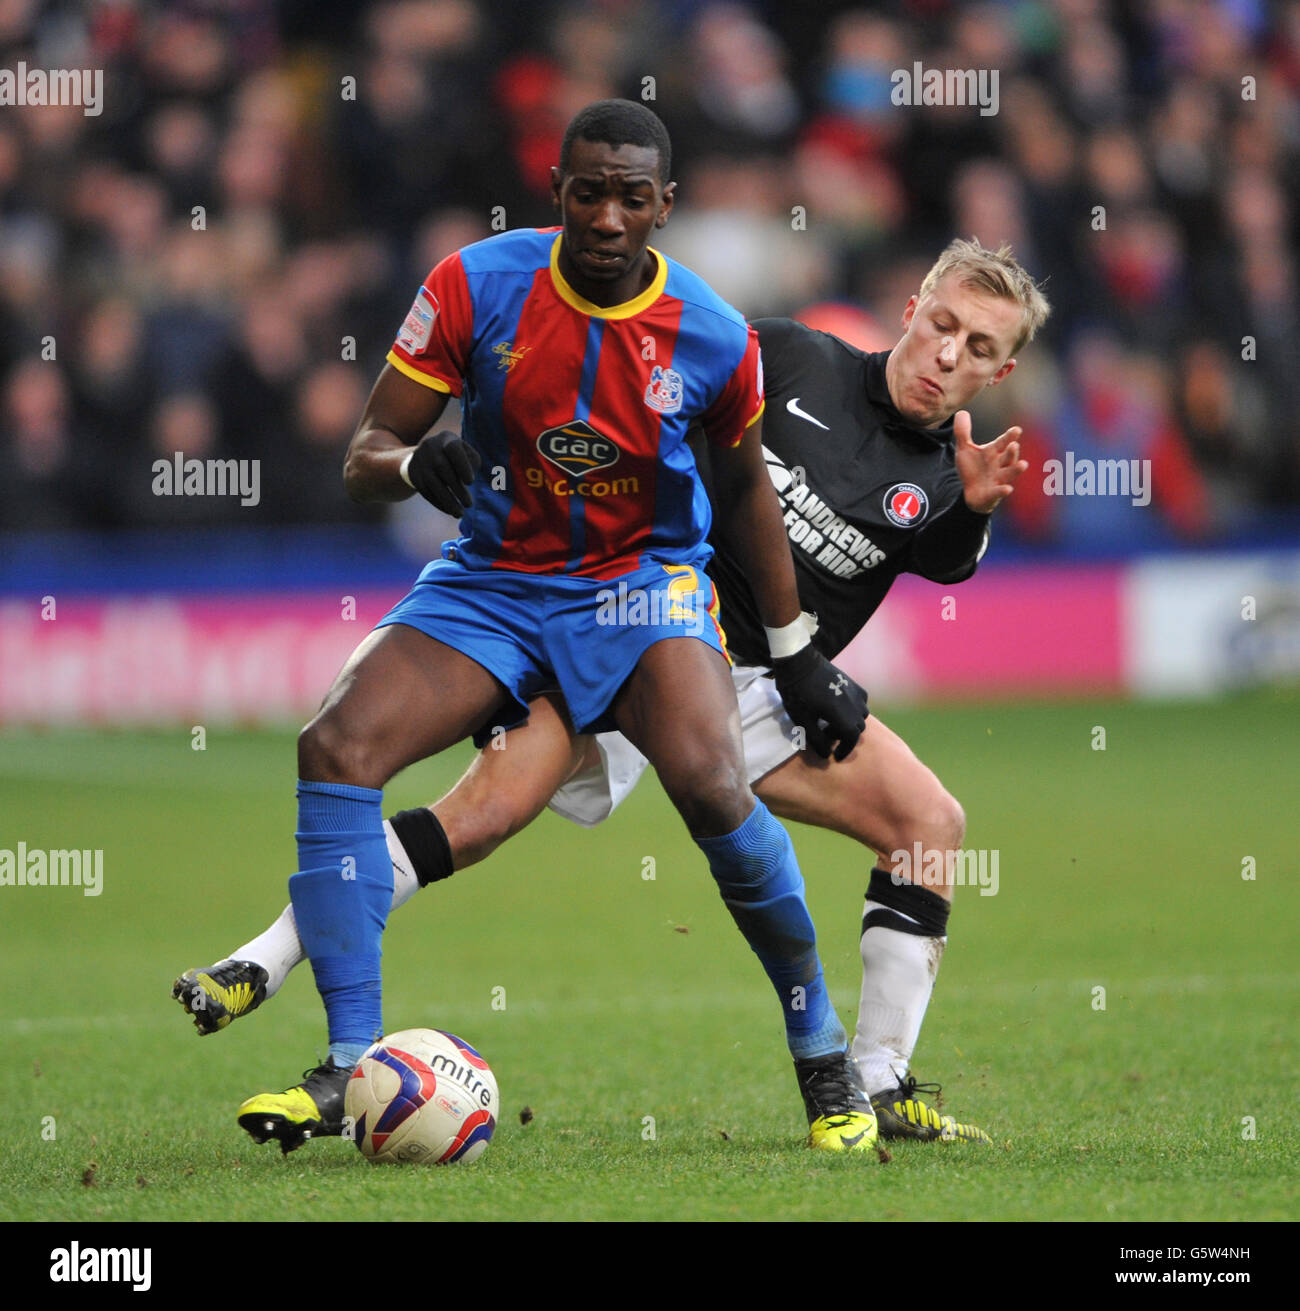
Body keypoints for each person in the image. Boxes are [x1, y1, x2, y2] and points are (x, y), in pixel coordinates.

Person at [178, 236, 1050, 1145]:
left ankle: (877, 1081)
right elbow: (658, 407)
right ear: (912, 309)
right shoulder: (786, 354)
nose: (951, 355)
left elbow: (945, 561)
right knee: (478, 817)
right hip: (631, 631)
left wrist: (978, 505)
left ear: (1002, 370)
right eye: (944, 324)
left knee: (929, 824)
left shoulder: (954, 472)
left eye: (981, 348)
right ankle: (264, 959)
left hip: (760, 690)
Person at [194, 99, 876, 1156]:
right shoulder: (474, 284)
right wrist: (419, 465)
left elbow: (744, 495)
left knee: (710, 784)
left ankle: (822, 1053)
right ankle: (348, 1064)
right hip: (495, 582)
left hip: (642, 587)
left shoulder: (710, 334)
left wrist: (795, 657)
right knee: (335, 746)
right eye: (587, 192)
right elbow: (367, 449)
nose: (606, 217)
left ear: (664, 208)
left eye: (630, 198)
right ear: (556, 191)